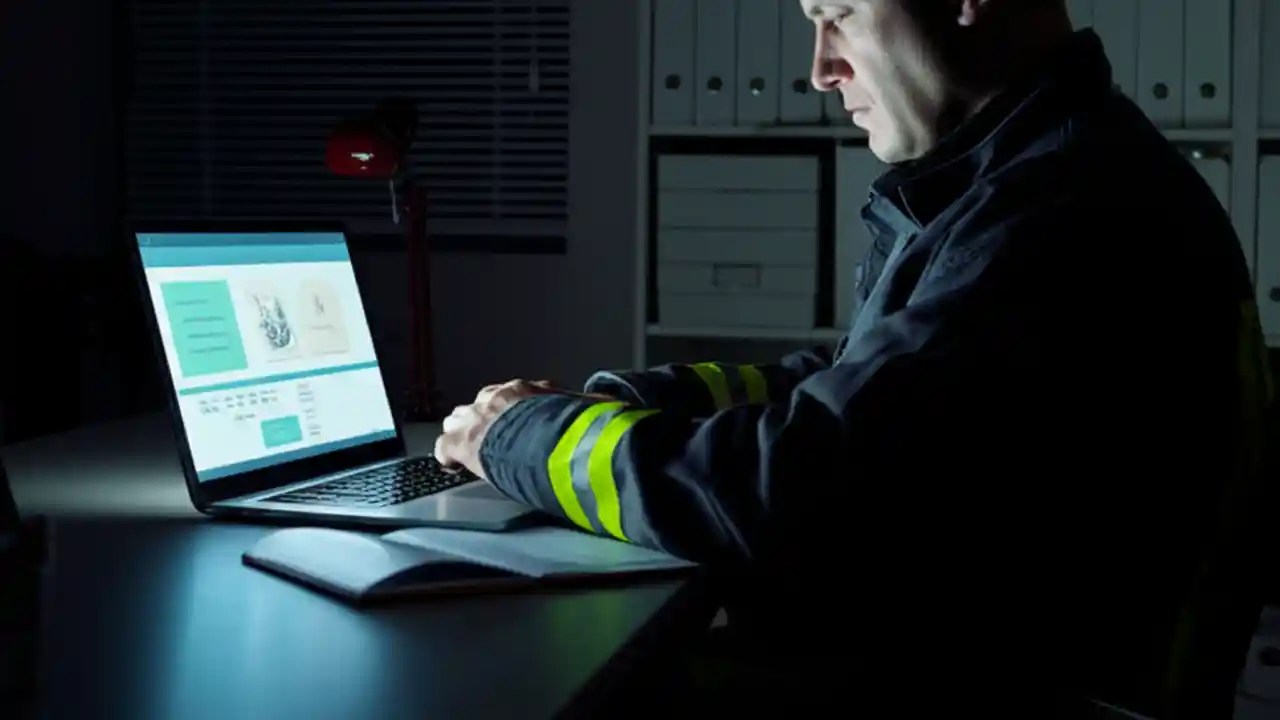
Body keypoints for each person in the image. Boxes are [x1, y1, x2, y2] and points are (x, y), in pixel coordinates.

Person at [437, 0, 1272, 715]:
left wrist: (523, 439)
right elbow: (855, 390)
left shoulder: (1061, 212)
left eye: (837, 14)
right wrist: (629, 399)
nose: (820, 68)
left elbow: (791, 490)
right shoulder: (1041, 174)